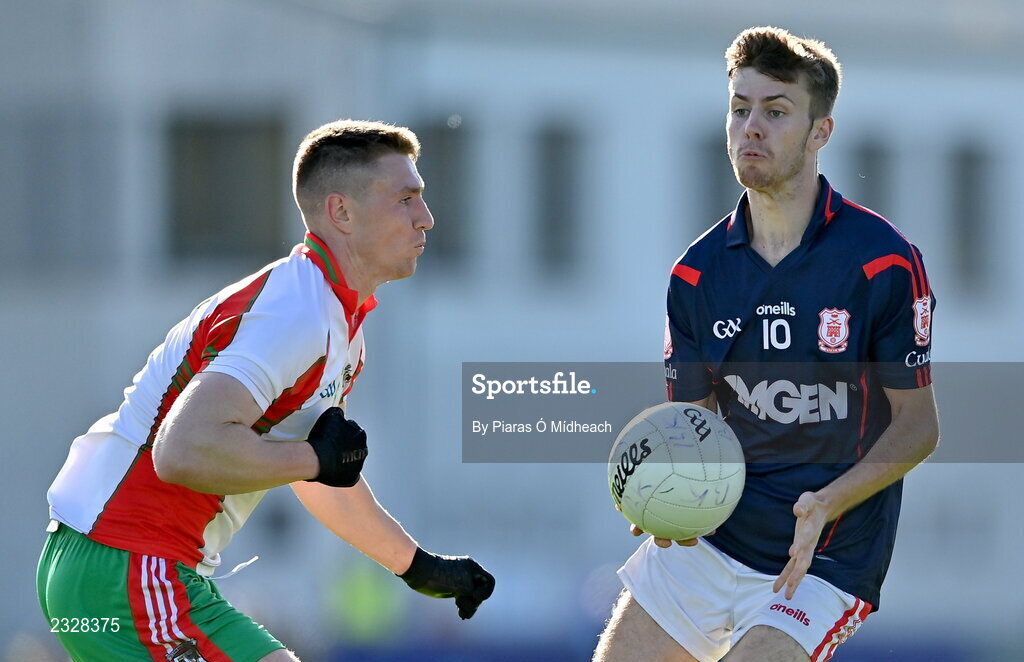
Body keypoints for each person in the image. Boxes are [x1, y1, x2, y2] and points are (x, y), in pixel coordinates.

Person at [38, 120, 495, 662]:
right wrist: (314, 458)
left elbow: (321, 473)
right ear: (341, 212)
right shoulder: (295, 313)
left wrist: (416, 566)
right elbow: (182, 449)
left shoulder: (331, 318)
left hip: (116, 566)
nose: (426, 217)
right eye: (405, 199)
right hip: (129, 563)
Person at [594, 27, 939, 662]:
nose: (751, 127)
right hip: (711, 542)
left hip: (822, 558)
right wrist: (667, 489)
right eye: (740, 108)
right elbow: (694, 424)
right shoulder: (696, 275)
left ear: (820, 132)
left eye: (776, 112)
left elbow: (918, 427)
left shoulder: (881, 261)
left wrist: (827, 502)